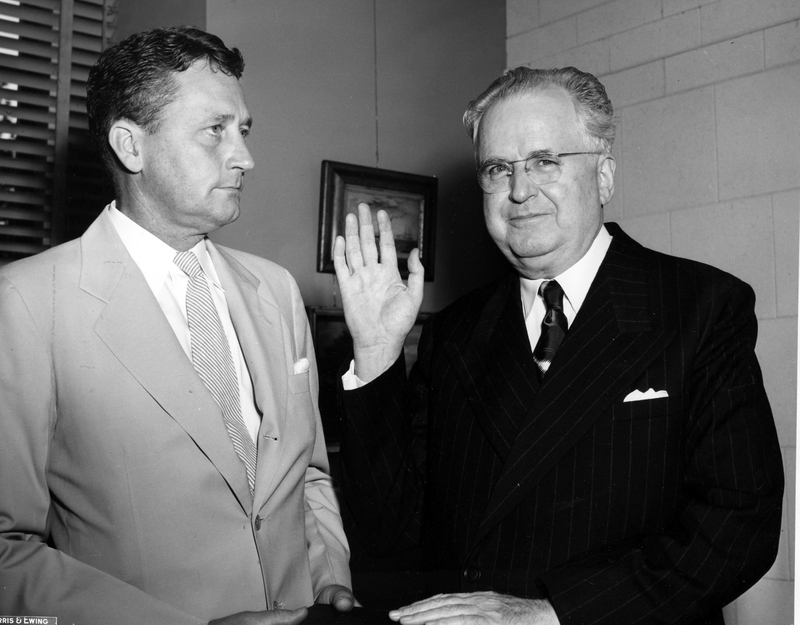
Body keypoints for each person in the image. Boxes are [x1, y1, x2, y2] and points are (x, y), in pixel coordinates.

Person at [333, 66, 784, 624]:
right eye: (498, 169)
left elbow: (739, 526)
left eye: (545, 161)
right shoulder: (454, 332)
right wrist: (377, 352)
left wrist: (554, 614)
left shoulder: (700, 307)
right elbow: (391, 537)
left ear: (604, 177)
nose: (520, 191)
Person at [0, 26, 354, 625]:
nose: (245, 156)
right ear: (130, 146)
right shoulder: (28, 302)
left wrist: (329, 587)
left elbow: (307, 478)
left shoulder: (277, 290)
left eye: (242, 131)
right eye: (215, 130)